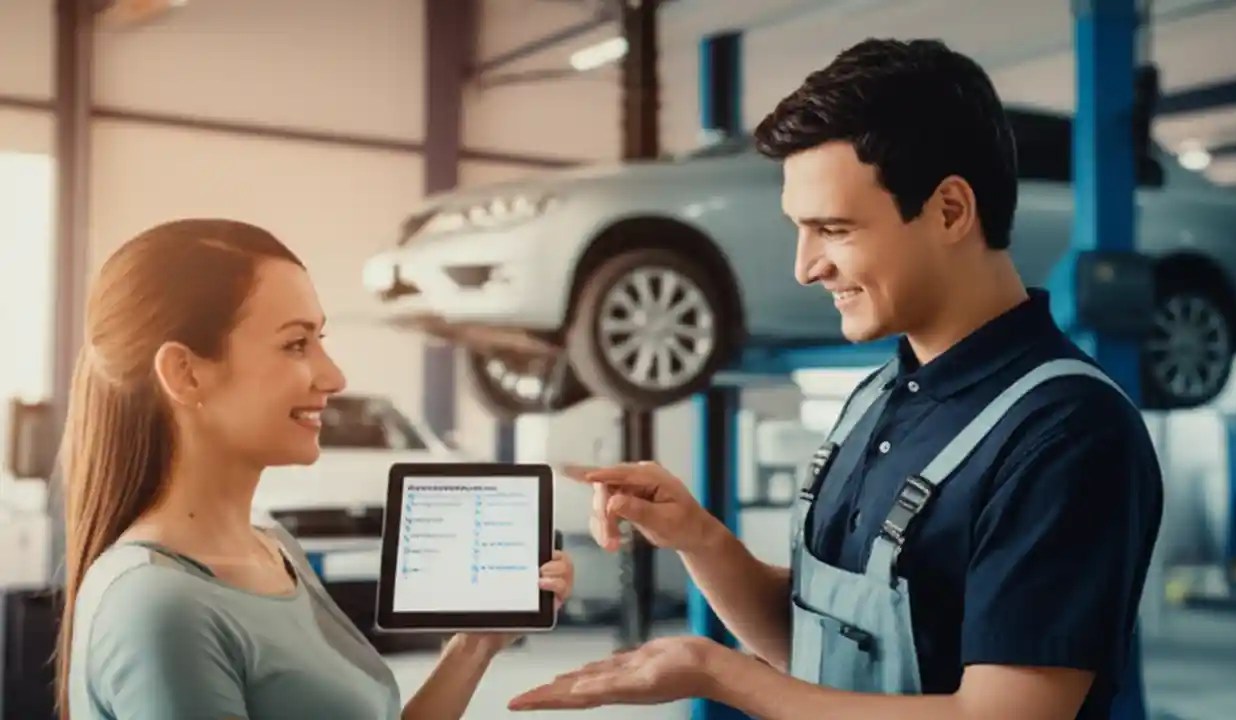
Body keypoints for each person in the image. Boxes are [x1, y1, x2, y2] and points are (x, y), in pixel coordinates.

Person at [508, 38, 1164, 720]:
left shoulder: (1066, 433)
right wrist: (698, 538)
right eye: (800, 229)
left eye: (833, 229)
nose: (805, 266)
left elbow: (1003, 716)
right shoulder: (877, 398)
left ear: (949, 211)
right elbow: (823, 653)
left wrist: (718, 673)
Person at [56, 219, 575, 720]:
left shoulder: (274, 547)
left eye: (320, 339)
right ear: (185, 373)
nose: (333, 375)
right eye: (296, 344)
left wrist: (473, 649)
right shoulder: (157, 608)